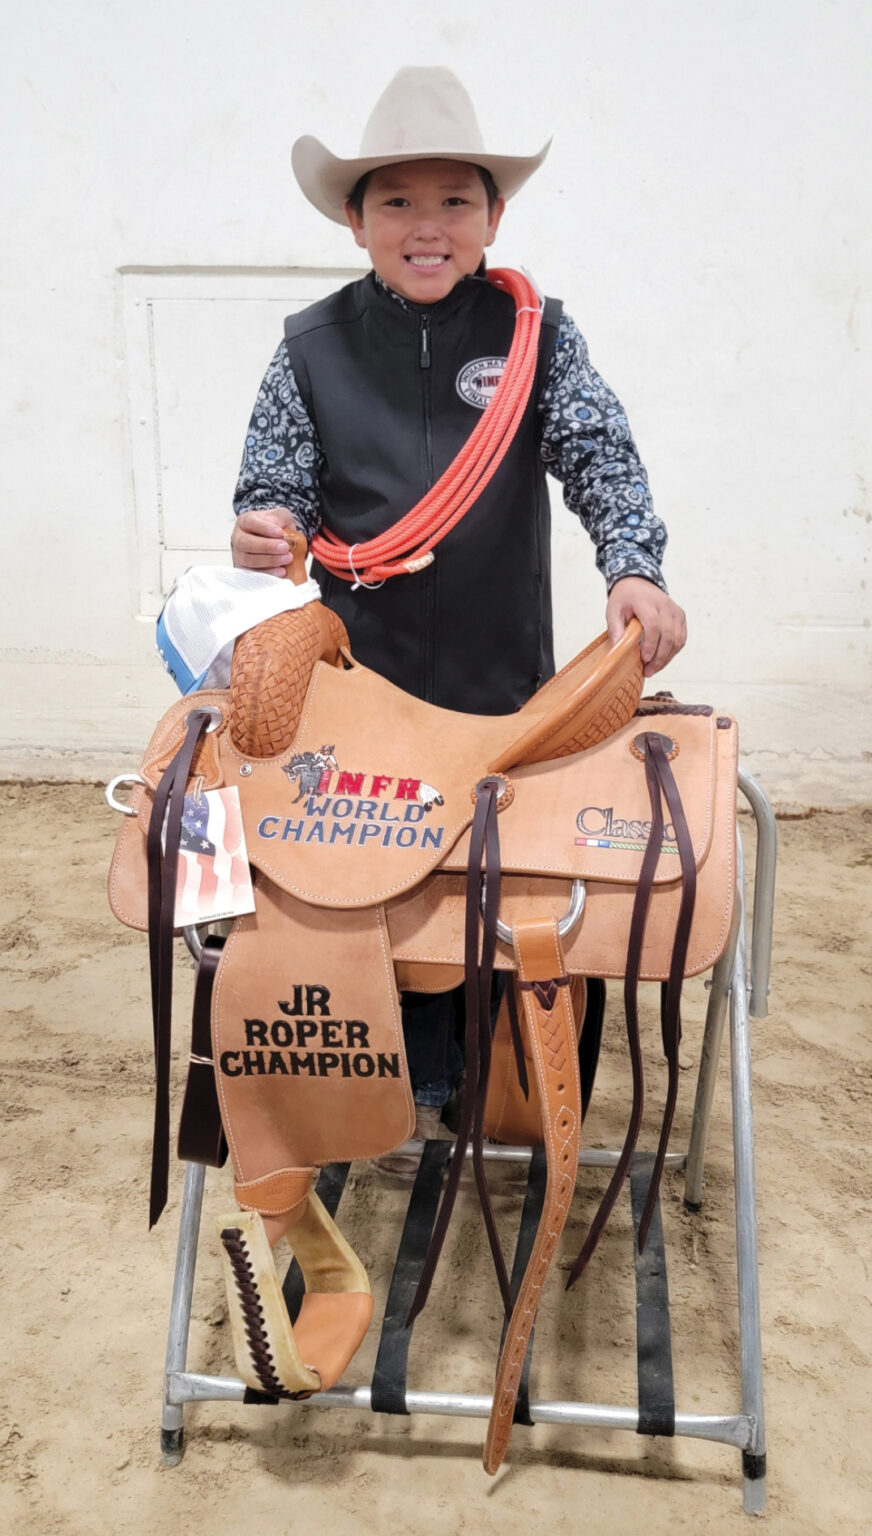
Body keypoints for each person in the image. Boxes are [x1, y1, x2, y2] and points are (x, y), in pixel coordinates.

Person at [230, 66, 687, 1162]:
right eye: (396, 201)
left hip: (497, 681)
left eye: (453, 201)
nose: (424, 226)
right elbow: (272, 485)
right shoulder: (308, 346)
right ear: (354, 219)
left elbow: (598, 456)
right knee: (360, 887)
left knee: (498, 882)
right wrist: (264, 526)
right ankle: (377, 1089)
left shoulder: (537, 336)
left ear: (493, 215)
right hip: (355, 683)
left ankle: (501, 1088)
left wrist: (633, 565)